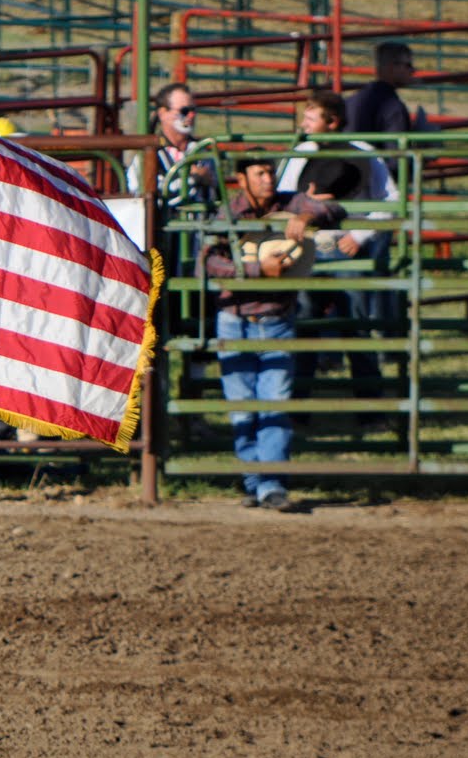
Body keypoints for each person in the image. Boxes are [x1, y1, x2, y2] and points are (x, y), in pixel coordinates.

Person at [203, 154, 345, 511]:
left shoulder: (290, 202)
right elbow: (208, 261)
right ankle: (257, 481)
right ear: (242, 179)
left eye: (270, 172)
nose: (268, 179)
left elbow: (335, 209)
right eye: (259, 173)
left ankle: (269, 484)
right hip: (237, 318)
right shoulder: (227, 214)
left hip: (275, 317)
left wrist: (306, 216)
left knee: (273, 404)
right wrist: (256, 271)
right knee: (244, 409)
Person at [276, 89, 400, 410]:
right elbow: (283, 195)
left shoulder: (362, 153)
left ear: (332, 122)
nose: (304, 122)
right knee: (305, 322)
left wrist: (358, 236)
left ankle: (368, 407)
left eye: (310, 116)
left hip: (345, 249)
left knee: (354, 324)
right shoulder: (303, 151)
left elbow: (390, 201)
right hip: (309, 247)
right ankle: (299, 406)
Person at [127, 82, 218, 276]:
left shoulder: (203, 151)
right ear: (163, 113)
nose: (191, 116)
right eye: (184, 110)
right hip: (164, 240)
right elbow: (142, 195)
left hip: (199, 239)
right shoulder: (149, 157)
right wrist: (191, 179)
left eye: (193, 110)